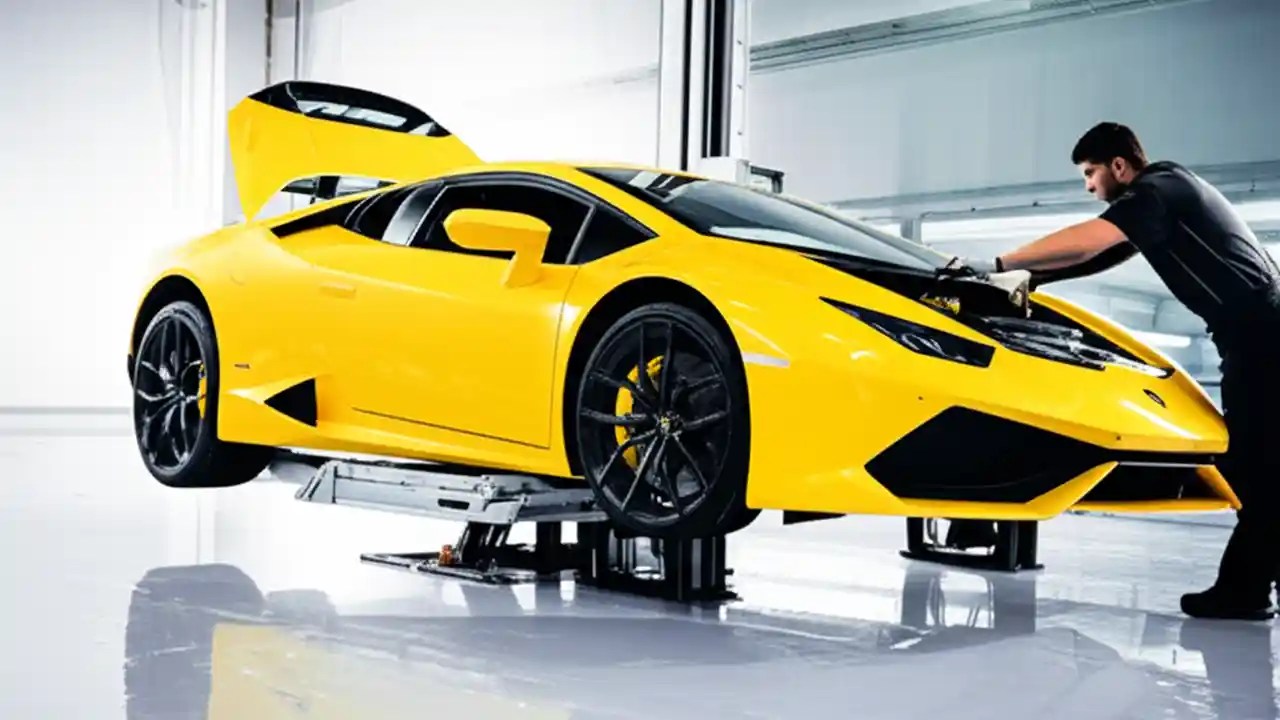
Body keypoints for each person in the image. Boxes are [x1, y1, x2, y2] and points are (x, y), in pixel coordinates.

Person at [947, 121, 1280, 620]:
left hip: (1263, 337)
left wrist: (996, 263)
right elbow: (1098, 258)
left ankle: (1244, 591)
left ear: (1119, 166)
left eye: (1090, 172)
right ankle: (1247, 588)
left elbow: (1090, 240)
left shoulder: (1159, 188)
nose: (1088, 185)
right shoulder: (1165, 197)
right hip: (1256, 335)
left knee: (1255, 468)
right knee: (1261, 467)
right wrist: (1030, 278)